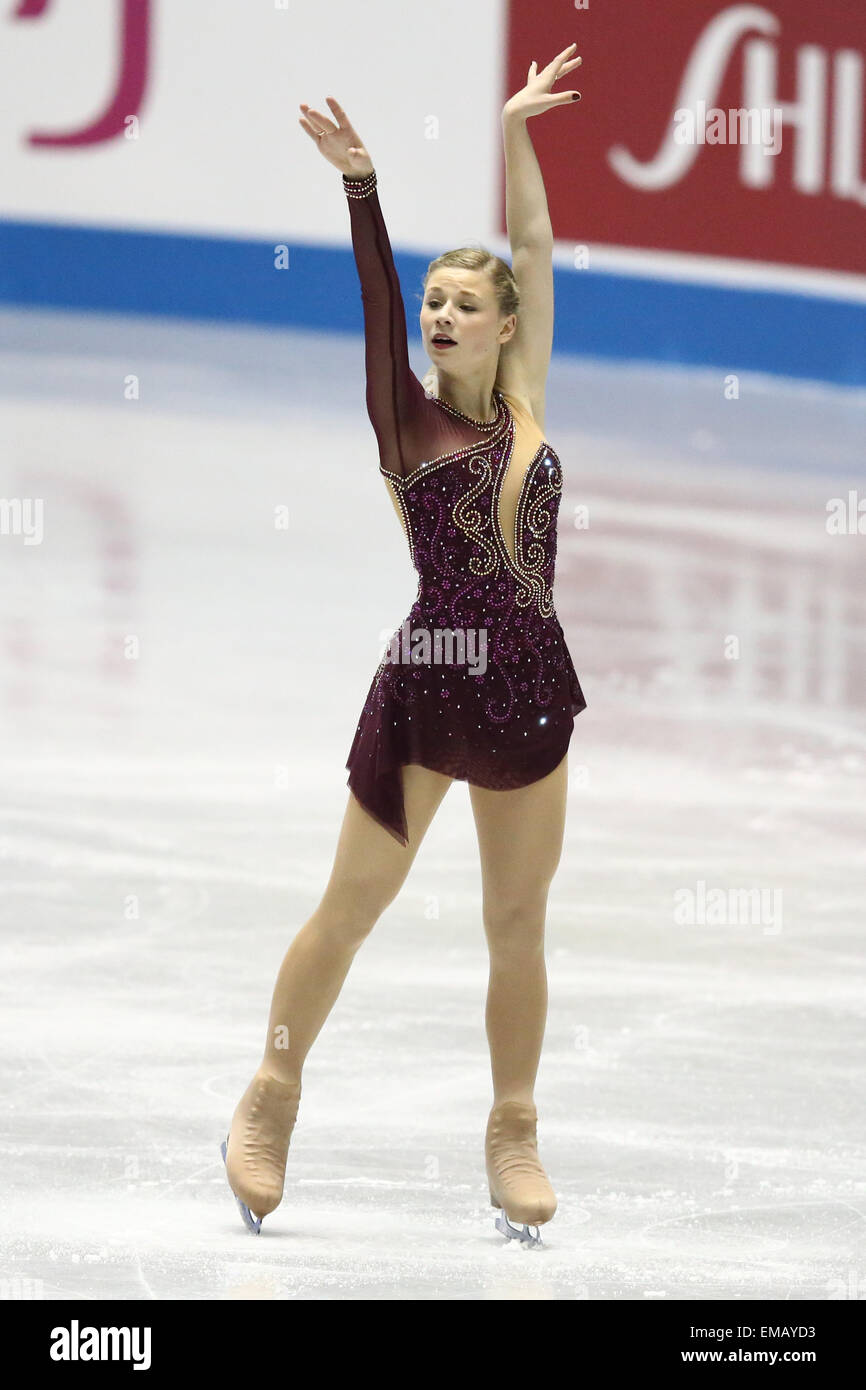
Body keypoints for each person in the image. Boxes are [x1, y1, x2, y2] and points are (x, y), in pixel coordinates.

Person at [221, 43, 586, 1246]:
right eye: (433, 301)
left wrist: (515, 128)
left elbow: (532, 247)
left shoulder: (525, 395)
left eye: (460, 304)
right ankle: (270, 1095)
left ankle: (513, 1126)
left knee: (518, 924)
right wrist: (362, 187)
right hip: (431, 683)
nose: (437, 314)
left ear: (501, 331)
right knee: (351, 906)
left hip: (530, 685)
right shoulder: (401, 412)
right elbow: (378, 300)